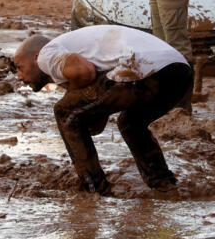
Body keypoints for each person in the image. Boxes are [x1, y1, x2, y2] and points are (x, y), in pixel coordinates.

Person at [13, 25, 193, 194]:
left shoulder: (47, 55)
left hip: (144, 67)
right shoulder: (71, 47)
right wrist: (96, 114)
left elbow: (85, 72)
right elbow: (97, 92)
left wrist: (83, 110)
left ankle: (95, 191)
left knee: (64, 112)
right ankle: (164, 185)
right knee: (130, 123)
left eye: (20, 67)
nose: (19, 77)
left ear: (36, 58)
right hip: (179, 73)